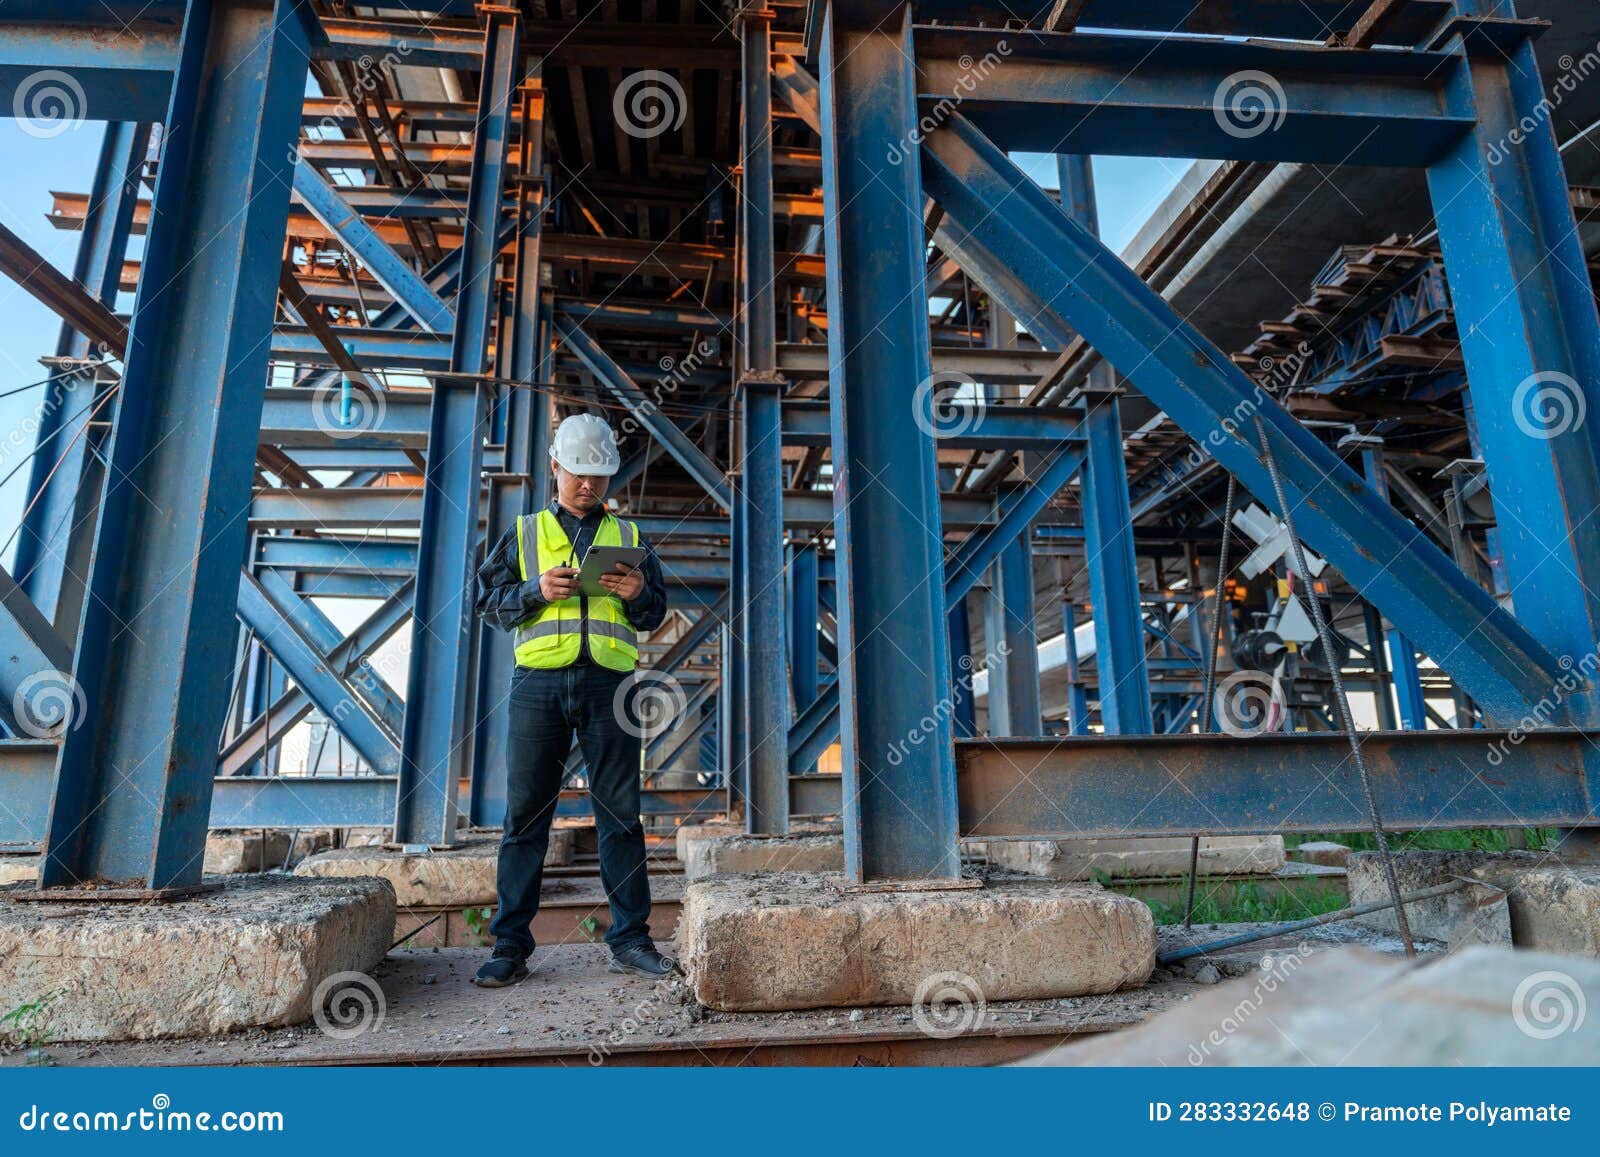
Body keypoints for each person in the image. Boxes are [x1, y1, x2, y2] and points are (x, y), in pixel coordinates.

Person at [471, 413, 675, 987]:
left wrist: (638, 594)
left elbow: (655, 613)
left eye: (600, 476)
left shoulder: (630, 539)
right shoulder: (526, 532)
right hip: (537, 686)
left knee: (620, 816)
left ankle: (631, 939)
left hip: (609, 685)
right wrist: (534, 591)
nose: (590, 486)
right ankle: (510, 945)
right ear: (555, 467)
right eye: (579, 474)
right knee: (525, 818)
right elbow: (485, 602)